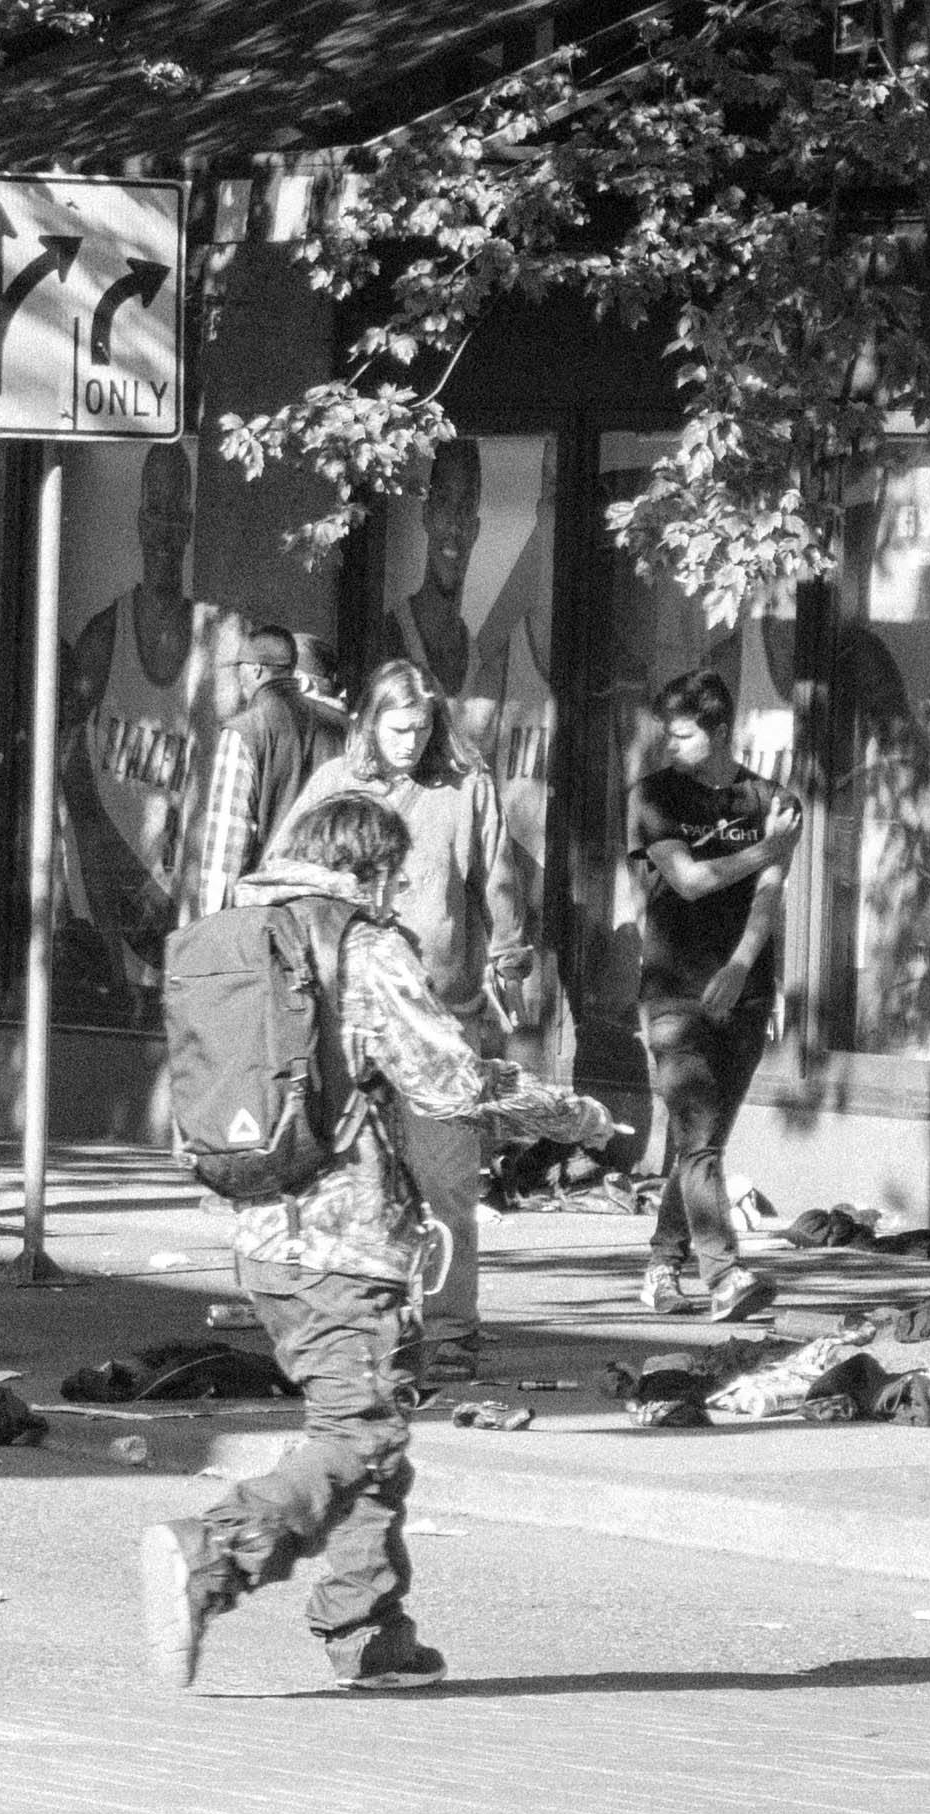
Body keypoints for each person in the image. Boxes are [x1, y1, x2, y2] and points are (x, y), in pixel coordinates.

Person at [136, 789, 609, 1694]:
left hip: (265, 1232)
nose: (398, 894)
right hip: (345, 1242)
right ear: (374, 868)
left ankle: (370, 1636)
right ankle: (212, 1554)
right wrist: (569, 1114)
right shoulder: (358, 943)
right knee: (365, 1435)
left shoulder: (240, 934)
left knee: (363, 1422)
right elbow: (446, 1081)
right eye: (396, 877)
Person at [273, 657, 536, 1383]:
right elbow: (279, 876)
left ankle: (450, 1331)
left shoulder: (465, 788)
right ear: (367, 724)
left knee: (446, 1177)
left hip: (439, 1016)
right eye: (397, 730)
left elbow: (499, 883)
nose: (411, 743)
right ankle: (359, 1329)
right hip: (351, 1019)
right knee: (353, 1182)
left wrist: (510, 962)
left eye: (421, 730)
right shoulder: (334, 785)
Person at [627, 666, 800, 1316]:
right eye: (667, 739)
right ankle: (725, 1275)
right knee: (697, 1134)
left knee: (701, 1144)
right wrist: (764, 851)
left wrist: (741, 965)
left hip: (744, 994)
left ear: (721, 730)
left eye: (683, 737)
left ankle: (660, 1269)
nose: (671, 750)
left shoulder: (772, 800)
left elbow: (772, 893)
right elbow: (690, 879)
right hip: (672, 991)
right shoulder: (654, 795)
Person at [186, 622, 343, 922]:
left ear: (255, 671)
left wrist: (211, 926)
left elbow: (226, 849)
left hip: (265, 922)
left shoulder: (245, 731)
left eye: (240, 668)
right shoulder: (344, 730)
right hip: (331, 917)